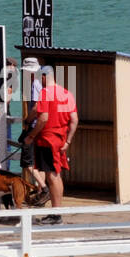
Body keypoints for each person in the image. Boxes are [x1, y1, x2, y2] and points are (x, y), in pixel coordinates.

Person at [23, 65, 78, 225]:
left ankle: (56, 214)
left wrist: (31, 136)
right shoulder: (66, 93)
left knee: (52, 176)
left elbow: (43, 118)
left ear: (45, 76)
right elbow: (74, 120)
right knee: (56, 174)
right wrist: (68, 140)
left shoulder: (46, 93)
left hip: (47, 139)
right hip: (60, 140)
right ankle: (56, 212)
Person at [18, 57, 47, 199]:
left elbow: (36, 108)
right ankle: (41, 189)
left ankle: (43, 187)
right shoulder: (41, 83)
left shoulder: (35, 84)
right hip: (42, 127)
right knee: (39, 162)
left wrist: (27, 120)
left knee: (27, 161)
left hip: (34, 126)